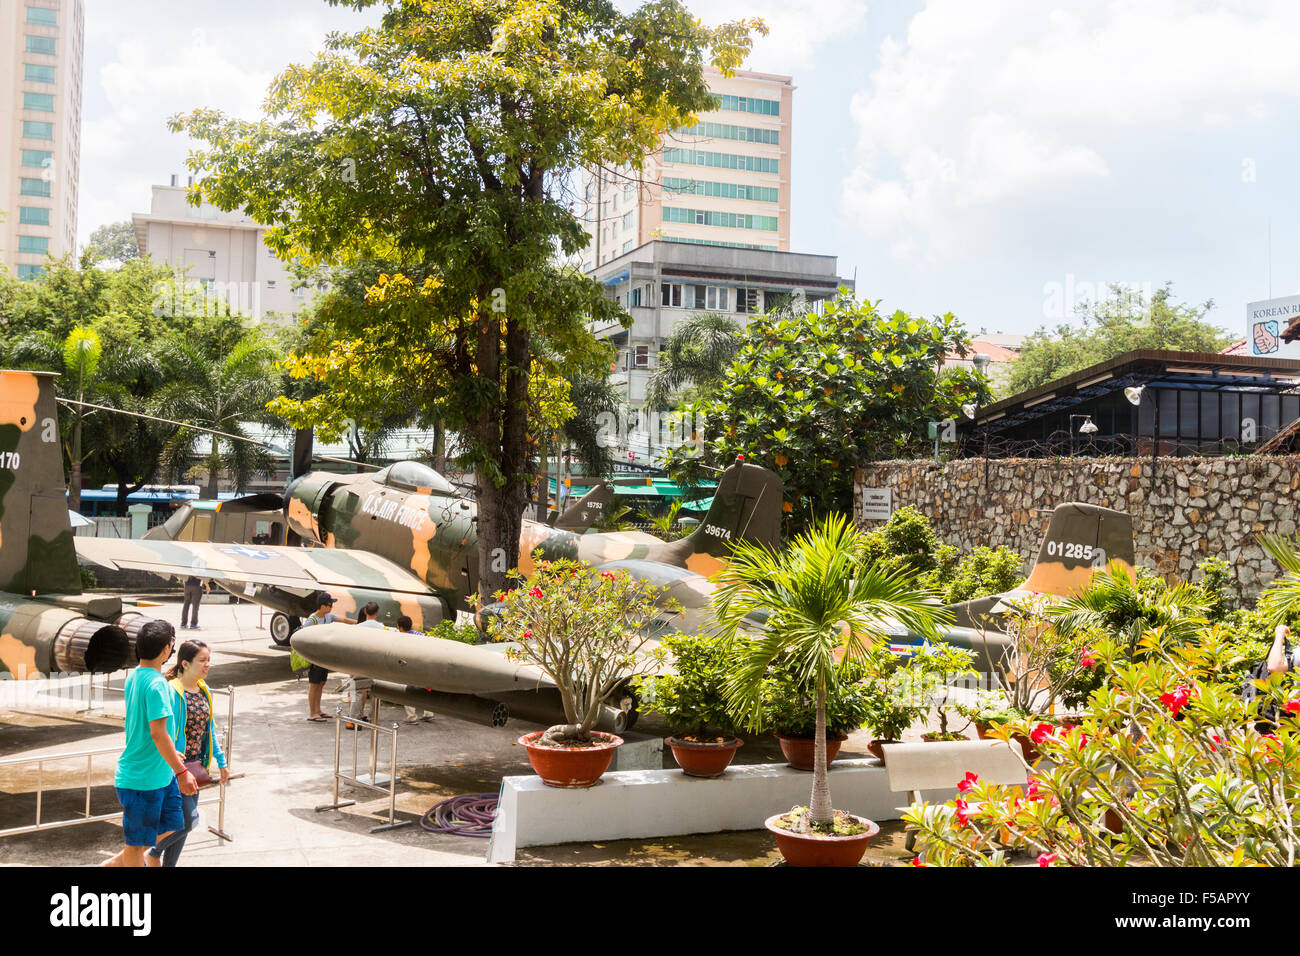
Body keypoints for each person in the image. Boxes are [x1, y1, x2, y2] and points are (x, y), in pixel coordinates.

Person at [103, 620, 198, 867]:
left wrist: (170, 757)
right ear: (166, 649)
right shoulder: (156, 685)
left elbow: (153, 732)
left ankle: (115, 864)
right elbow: (157, 733)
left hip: (159, 775)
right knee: (136, 847)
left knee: (178, 823)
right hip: (143, 780)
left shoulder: (137, 677)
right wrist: (182, 771)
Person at [147, 640, 231, 866]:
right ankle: (152, 853)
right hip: (176, 768)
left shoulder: (204, 690)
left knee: (183, 826)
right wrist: (175, 764)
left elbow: (209, 728)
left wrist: (220, 761)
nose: (207, 665)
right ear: (185, 663)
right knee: (188, 821)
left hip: (196, 766)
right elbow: (161, 730)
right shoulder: (172, 691)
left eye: (208, 660)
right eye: (202, 660)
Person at [302, 592, 354, 722]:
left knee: (321, 683)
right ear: (323, 606)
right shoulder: (311, 620)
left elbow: (343, 620)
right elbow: (303, 638)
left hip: (323, 658)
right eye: (330, 605)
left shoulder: (328, 616)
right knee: (314, 685)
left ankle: (318, 710)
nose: (332, 607)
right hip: (314, 658)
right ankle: (312, 713)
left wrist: (360, 623)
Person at [346, 602, 383, 727]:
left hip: (359, 662)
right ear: (377, 613)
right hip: (375, 663)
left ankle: (353, 721)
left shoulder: (358, 627)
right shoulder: (381, 627)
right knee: (376, 691)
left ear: (365, 612)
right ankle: (374, 718)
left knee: (357, 691)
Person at [396, 615, 434, 725]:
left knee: (408, 692)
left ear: (400, 627)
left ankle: (411, 717)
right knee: (426, 690)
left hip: (409, 667)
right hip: (424, 666)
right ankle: (429, 713)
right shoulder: (420, 635)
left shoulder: (401, 639)